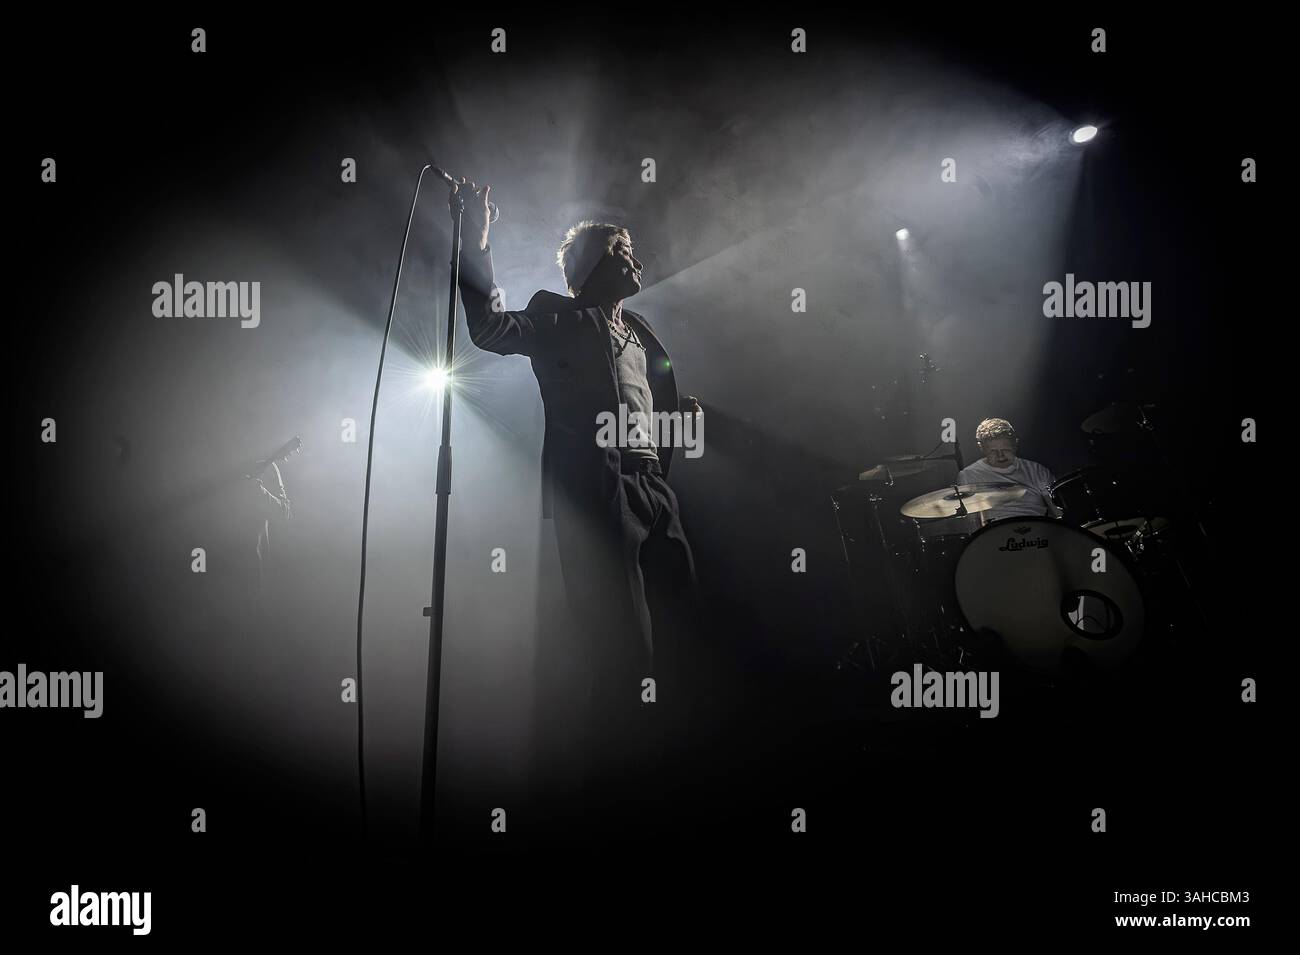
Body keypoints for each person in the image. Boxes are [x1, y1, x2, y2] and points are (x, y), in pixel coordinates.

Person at [449, 178, 704, 817]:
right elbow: (487, 327)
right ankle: (614, 792)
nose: (637, 259)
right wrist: (474, 245)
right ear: (593, 265)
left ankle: (676, 767)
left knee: (686, 629)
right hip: (599, 488)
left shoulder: (642, 332)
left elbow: (656, 402)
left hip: (652, 486)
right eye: (623, 248)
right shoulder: (561, 319)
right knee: (623, 649)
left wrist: (682, 424)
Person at [957, 417, 1061, 522]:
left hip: (1038, 533)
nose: (1000, 456)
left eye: (1006, 450)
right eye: (993, 451)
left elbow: (1058, 511)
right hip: (994, 534)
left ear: (1015, 444)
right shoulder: (969, 475)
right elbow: (971, 523)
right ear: (981, 448)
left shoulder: (1037, 471)